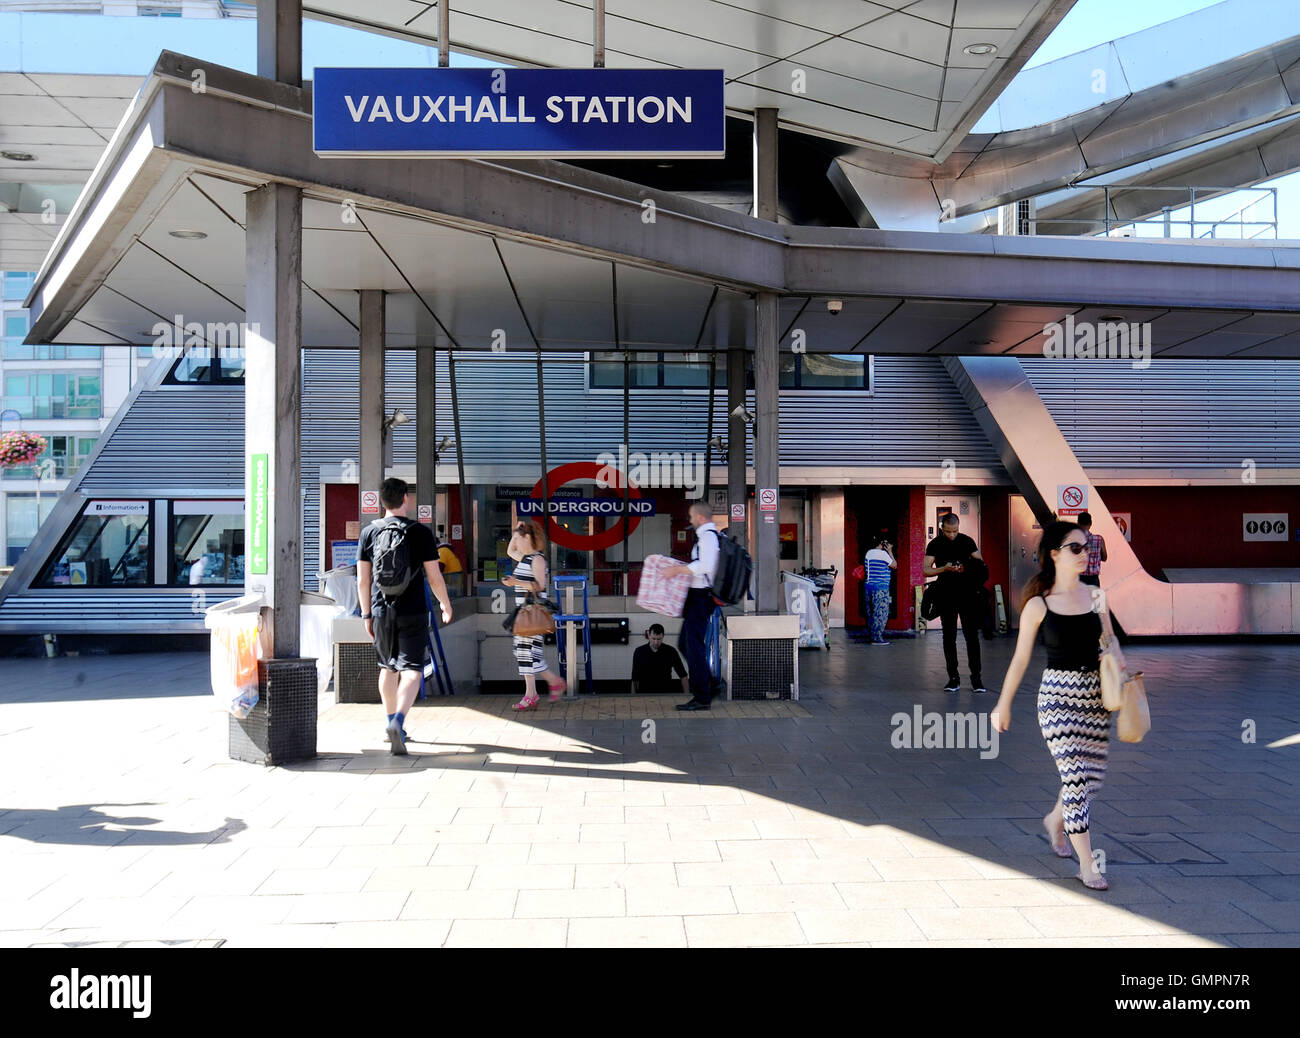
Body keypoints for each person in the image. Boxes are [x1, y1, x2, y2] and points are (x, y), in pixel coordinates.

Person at [991, 521, 1122, 891]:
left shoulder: (1097, 595)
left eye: (1087, 547)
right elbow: (1019, 660)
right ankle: (1087, 865)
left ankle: (1054, 819)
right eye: (1075, 548)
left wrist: (1119, 668)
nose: (1084, 555)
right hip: (1057, 700)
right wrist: (1003, 705)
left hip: (1097, 699)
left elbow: (1110, 641)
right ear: (1054, 554)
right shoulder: (1038, 604)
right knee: (1077, 780)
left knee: (1092, 780)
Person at [357, 477, 453, 755]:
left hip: (380, 609)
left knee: (387, 667)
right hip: (413, 609)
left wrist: (366, 614)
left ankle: (388, 721)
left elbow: (362, 580)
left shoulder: (369, 532)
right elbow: (434, 576)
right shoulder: (420, 532)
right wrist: (445, 604)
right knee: (412, 670)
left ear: (382, 502)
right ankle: (399, 720)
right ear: (405, 500)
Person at [502, 518, 565, 710]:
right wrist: (517, 531)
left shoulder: (537, 559)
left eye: (519, 538)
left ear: (528, 538)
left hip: (532, 612)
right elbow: (509, 550)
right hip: (525, 613)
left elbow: (539, 586)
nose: (516, 543)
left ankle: (534, 694)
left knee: (529, 654)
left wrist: (516, 583)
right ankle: (540, 690)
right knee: (524, 653)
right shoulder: (525, 558)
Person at [665, 502, 720, 711]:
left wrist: (678, 570)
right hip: (698, 597)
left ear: (701, 517)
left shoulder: (707, 537)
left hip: (701, 597)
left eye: (691, 516)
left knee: (693, 647)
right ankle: (710, 683)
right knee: (686, 644)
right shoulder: (709, 537)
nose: (689, 520)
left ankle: (702, 697)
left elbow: (705, 566)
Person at [923, 513, 987, 693]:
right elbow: (925, 570)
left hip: (968, 594)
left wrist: (966, 567)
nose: (952, 535)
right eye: (948, 531)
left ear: (959, 528)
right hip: (946, 594)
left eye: (955, 531)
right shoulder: (935, 544)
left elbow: (981, 565)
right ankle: (953, 678)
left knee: (972, 636)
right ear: (942, 528)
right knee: (948, 636)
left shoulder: (967, 541)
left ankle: (976, 678)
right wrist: (944, 568)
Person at [631, 623, 689, 695]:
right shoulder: (639, 651)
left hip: (665, 693)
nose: (656, 642)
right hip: (644, 693)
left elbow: (683, 676)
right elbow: (634, 678)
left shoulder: (671, 651)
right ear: (648, 635)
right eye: (653, 638)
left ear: (663, 636)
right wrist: (633, 697)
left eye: (659, 639)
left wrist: (687, 696)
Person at [863, 535, 897, 645]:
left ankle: (871, 635)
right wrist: (890, 551)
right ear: (883, 544)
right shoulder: (883, 555)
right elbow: (894, 565)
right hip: (881, 588)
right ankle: (877, 638)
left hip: (869, 586)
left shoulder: (868, 553)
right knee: (881, 612)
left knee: (871, 612)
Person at [1077, 512, 1107, 587]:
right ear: (1090, 523)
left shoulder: (1074, 540)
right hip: (1094, 579)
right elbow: (1104, 558)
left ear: (1078, 523)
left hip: (1079, 579)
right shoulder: (1099, 539)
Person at [435, 525, 465, 596]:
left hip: (452, 579)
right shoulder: (445, 549)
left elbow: (440, 567)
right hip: (455, 578)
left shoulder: (441, 551)